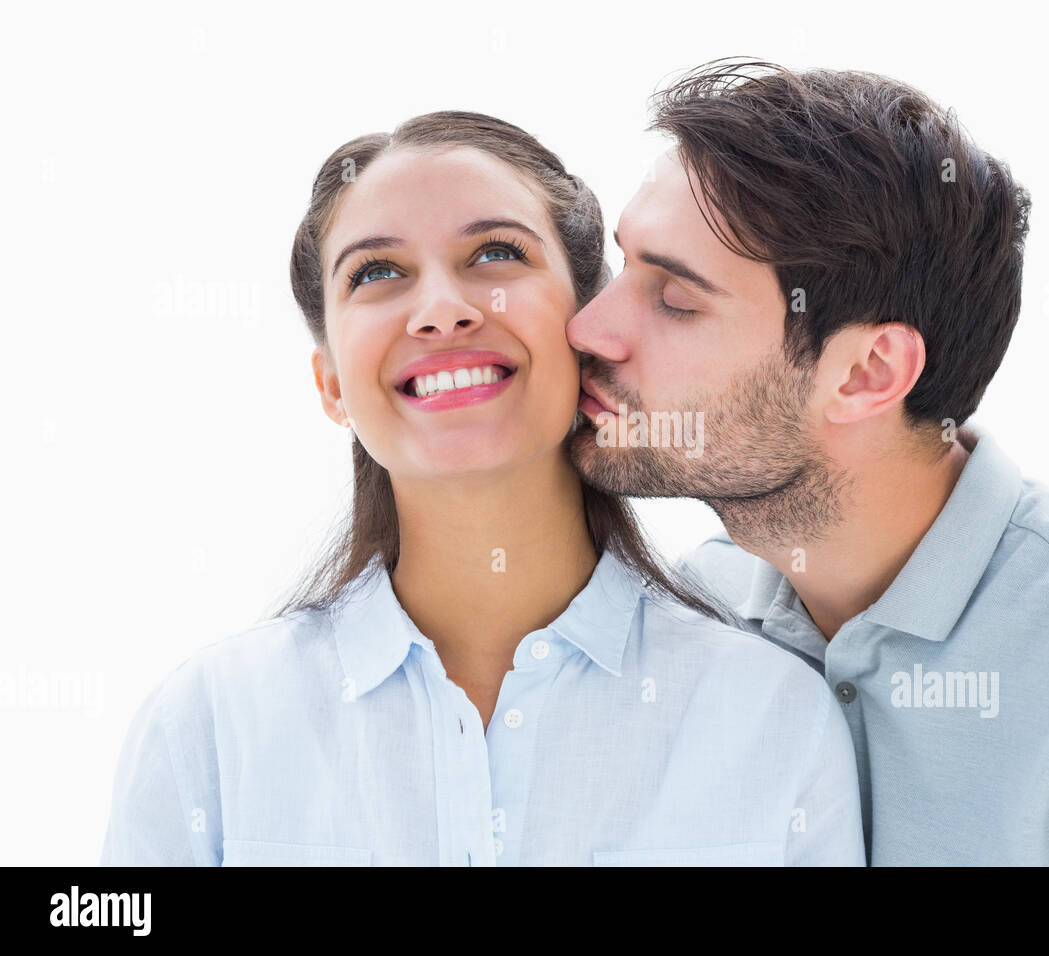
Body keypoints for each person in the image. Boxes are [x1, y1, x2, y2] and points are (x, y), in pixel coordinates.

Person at [565, 59, 1049, 865]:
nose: (590, 328)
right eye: (623, 263)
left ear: (868, 373)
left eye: (676, 300)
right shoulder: (691, 617)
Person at [99, 109, 865, 867]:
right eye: (376, 273)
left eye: (496, 254)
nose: (442, 311)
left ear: (588, 326)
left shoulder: (774, 720)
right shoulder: (207, 730)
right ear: (332, 384)